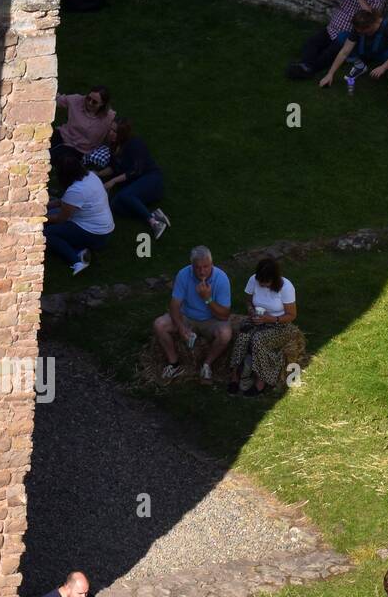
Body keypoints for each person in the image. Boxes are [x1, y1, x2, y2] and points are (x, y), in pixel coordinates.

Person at [153, 246, 237, 383]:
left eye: (206, 266)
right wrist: (180, 327)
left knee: (226, 334)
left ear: (212, 264)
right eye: (198, 267)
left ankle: (207, 364)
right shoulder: (183, 274)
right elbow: (174, 305)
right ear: (191, 266)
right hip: (187, 316)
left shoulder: (221, 279)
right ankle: (173, 363)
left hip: (212, 319)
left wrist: (207, 298)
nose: (202, 271)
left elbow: (224, 315)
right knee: (159, 325)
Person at [289, 0, 386, 79]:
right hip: (332, 28)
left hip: (348, 34)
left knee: (329, 53)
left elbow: (372, 17)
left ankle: (309, 69)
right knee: (312, 43)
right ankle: (305, 66)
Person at [226, 257, 300, 396]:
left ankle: (262, 381)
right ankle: (235, 376)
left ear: (275, 279)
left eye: (266, 282)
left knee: (258, 340)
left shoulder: (286, 287)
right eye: (261, 281)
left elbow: (291, 315)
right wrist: (251, 311)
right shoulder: (253, 280)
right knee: (243, 335)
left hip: (280, 325)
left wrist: (270, 319)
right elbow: (248, 300)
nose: (263, 284)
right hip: (258, 320)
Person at [44, 149, 114, 275]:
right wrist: (47, 206)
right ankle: (82, 250)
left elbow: (61, 219)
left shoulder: (76, 191)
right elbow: (67, 203)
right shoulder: (90, 176)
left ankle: (76, 259)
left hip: (95, 235)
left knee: (48, 233)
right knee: (52, 213)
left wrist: (39, 218)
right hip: (104, 228)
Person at [101, 118, 168, 238]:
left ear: (123, 135)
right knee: (116, 205)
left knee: (124, 196)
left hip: (151, 179)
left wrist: (113, 181)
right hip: (135, 183)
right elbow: (113, 167)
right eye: (111, 129)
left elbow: (136, 171)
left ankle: (155, 223)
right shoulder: (113, 144)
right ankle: (154, 214)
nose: (111, 133)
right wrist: (97, 174)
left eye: (115, 132)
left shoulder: (135, 145)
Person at [318, 9, 388, 88]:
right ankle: (360, 64)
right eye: (357, 30)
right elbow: (344, 52)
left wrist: (383, 67)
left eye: (362, 31)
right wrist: (330, 74)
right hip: (367, 50)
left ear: (370, 26)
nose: (359, 32)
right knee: (342, 37)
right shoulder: (359, 28)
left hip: (383, 53)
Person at [52, 85, 115, 168]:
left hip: (79, 148)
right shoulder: (77, 100)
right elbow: (58, 100)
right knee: (39, 142)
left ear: (102, 104)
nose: (90, 103)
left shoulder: (108, 117)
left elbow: (116, 133)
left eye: (94, 102)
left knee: (49, 156)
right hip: (64, 134)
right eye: (88, 98)